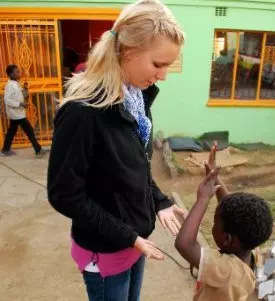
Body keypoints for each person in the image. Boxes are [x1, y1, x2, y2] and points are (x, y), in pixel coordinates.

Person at [47, 1, 186, 300]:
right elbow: (64, 194)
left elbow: (134, 166)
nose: (162, 76)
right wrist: (128, 236)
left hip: (135, 243)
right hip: (106, 249)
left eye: (168, 66)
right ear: (128, 51)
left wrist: (159, 201)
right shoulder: (83, 112)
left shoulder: (135, 100)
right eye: (158, 64)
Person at [175, 144, 273, 301]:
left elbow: (184, 244)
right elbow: (230, 206)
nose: (213, 226)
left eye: (215, 224)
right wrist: (215, 179)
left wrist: (203, 199)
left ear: (228, 240)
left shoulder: (226, 271)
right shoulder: (251, 251)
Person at [0, 65, 47, 158]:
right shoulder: (10, 85)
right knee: (29, 131)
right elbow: (7, 100)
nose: (19, 73)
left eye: (19, 71)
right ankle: (38, 149)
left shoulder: (16, 83)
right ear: (11, 74)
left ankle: (5, 149)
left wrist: (25, 88)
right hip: (16, 114)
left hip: (17, 113)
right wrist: (20, 104)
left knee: (11, 131)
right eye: (17, 72)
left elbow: (23, 95)